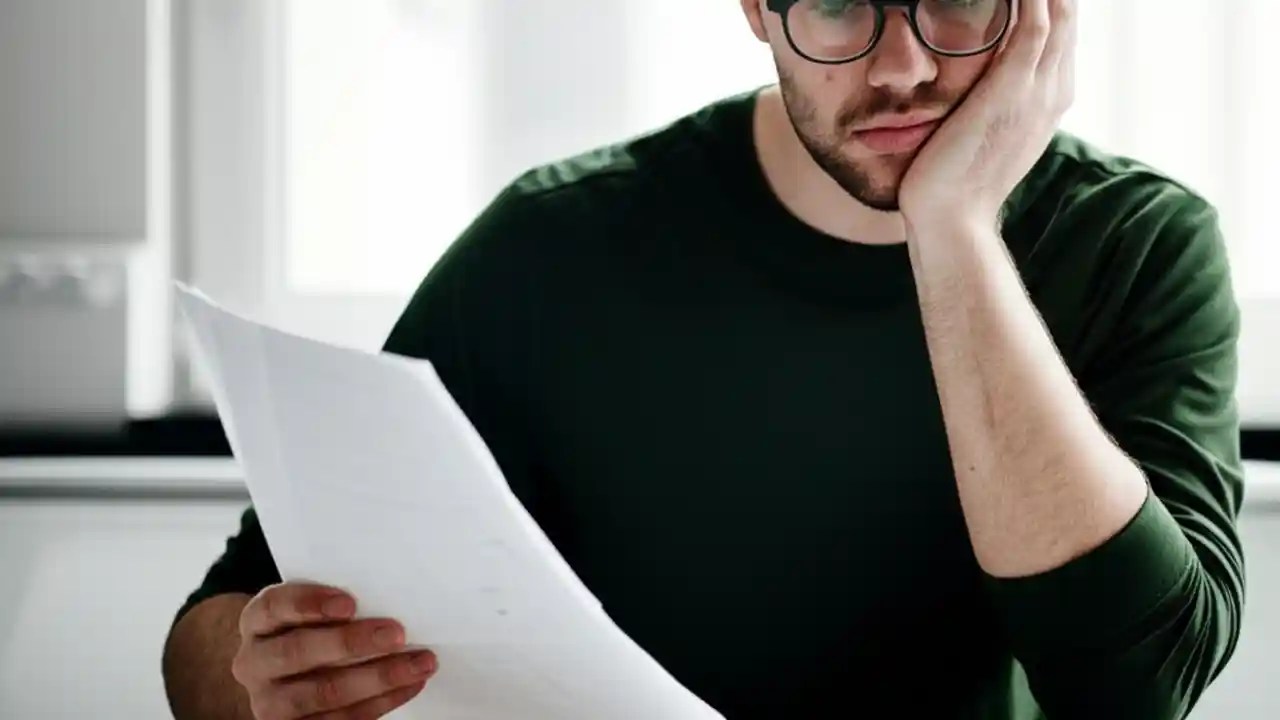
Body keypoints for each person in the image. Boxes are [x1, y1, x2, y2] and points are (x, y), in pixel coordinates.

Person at [162, 1, 1246, 718]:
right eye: (835, 3)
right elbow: (222, 624)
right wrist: (258, 681)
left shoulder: (1138, 245)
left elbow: (1135, 691)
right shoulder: (552, 248)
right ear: (754, 8)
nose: (903, 65)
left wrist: (953, 227)